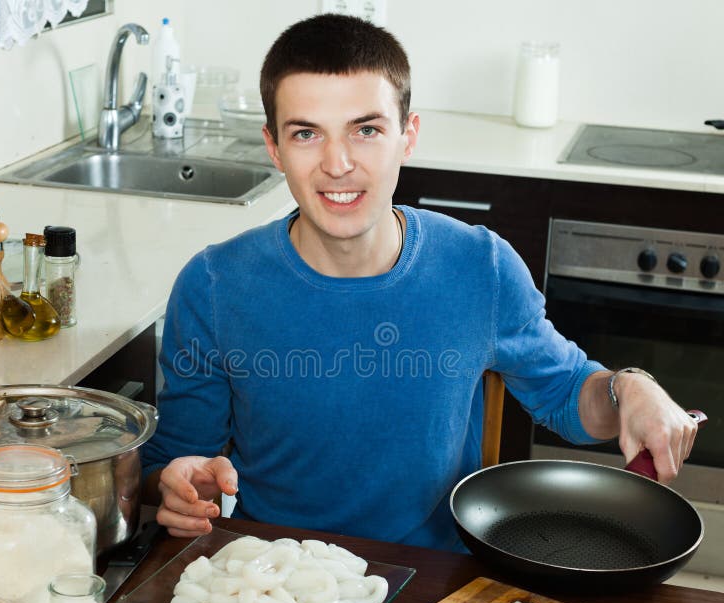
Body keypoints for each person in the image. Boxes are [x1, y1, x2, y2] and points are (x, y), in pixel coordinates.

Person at [142, 13, 698, 552]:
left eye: (366, 130)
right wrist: (177, 485)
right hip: (275, 577)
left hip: (435, 582)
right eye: (307, 133)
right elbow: (173, 461)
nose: (338, 163)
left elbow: (570, 400)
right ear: (273, 147)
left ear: (408, 135)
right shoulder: (214, 285)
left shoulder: (480, 265)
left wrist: (633, 386)